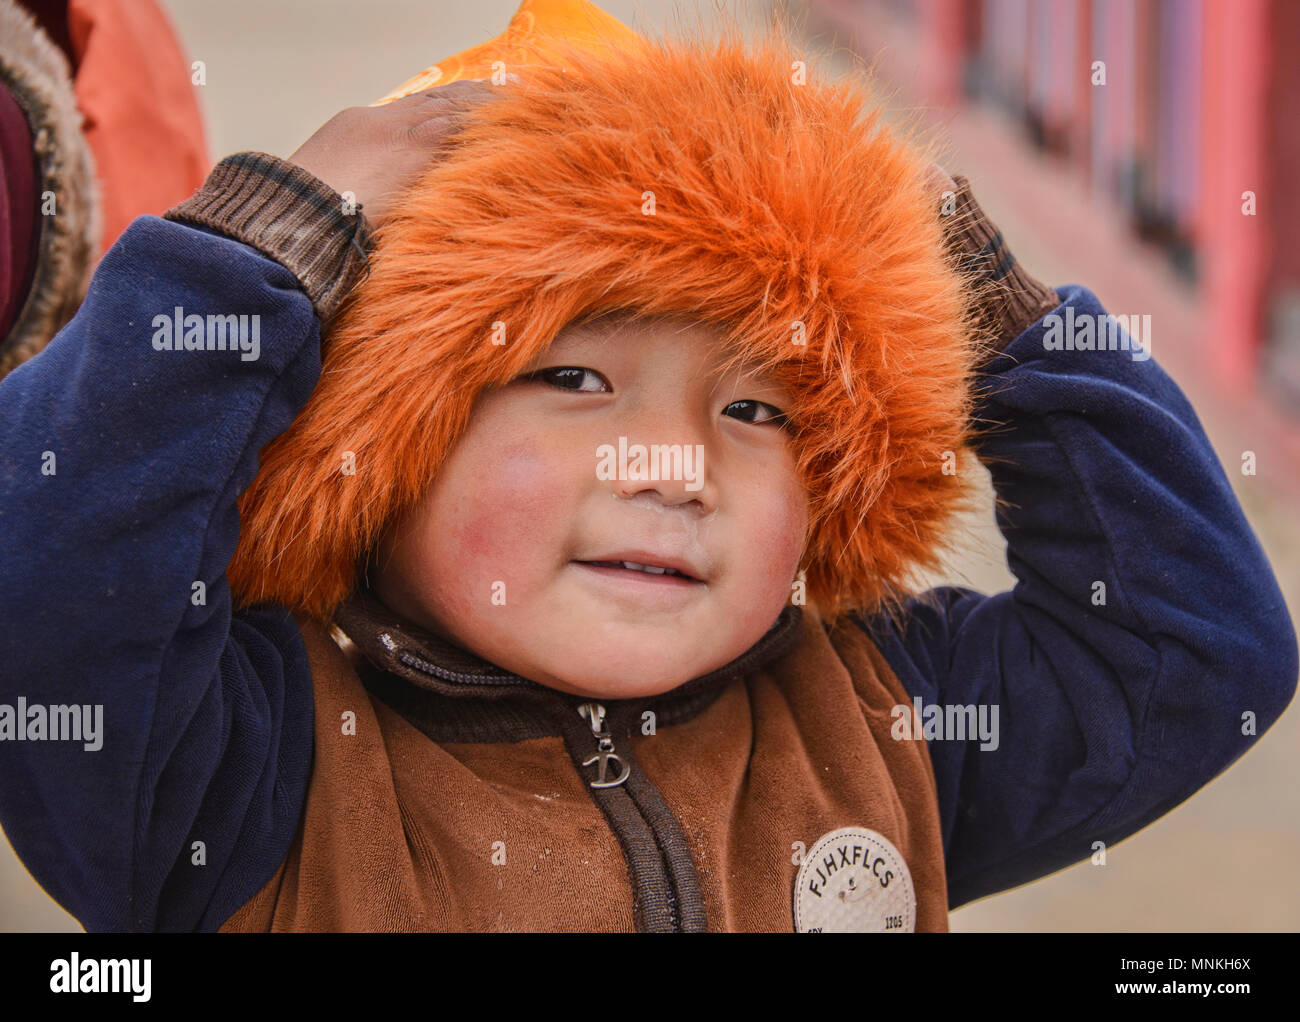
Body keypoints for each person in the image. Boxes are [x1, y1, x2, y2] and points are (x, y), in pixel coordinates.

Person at [0, 1, 1294, 932]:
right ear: (374, 444)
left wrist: (972, 293)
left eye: (758, 409)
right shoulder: (245, 767)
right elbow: (54, 587)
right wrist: (263, 250)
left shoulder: (883, 720)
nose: (674, 464)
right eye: (569, 378)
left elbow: (1196, 648)